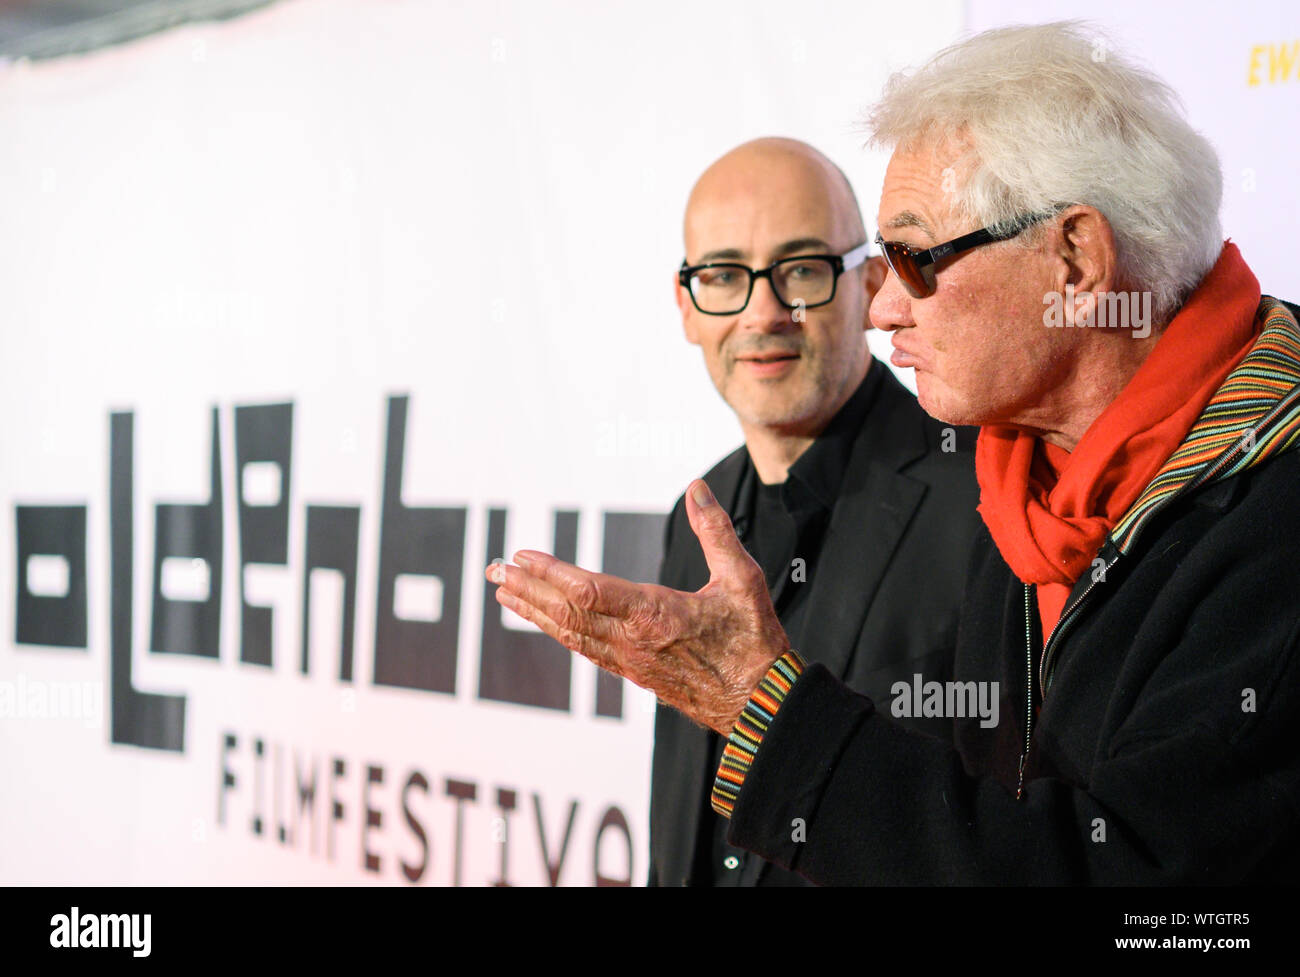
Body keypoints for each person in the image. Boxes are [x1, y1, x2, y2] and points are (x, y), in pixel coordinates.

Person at [487, 22, 1300, 883]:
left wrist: (768, 715)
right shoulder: (1021, 497)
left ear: (1075, 258)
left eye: (915, 259)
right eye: (721, 277)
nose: (881, 311)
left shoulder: (1273, 526)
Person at [648, 137, 981, 886]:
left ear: (867, 285)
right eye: (725, 275)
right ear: (687, 306)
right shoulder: (692, 516)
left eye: (801, 270)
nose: (763, 313)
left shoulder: (984, 496)